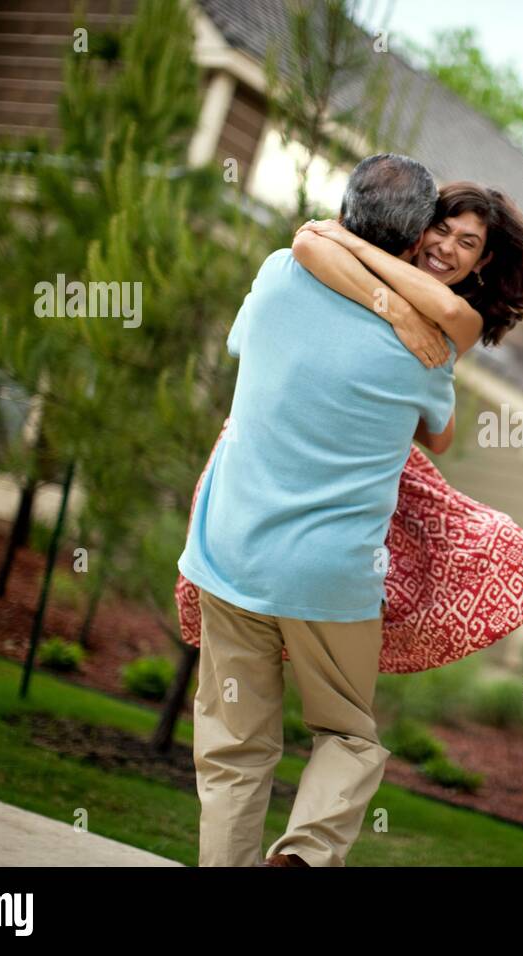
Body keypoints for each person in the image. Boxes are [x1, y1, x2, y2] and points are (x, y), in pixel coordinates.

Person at [177, 153, 459, 868]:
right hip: (331, 578)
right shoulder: (428, 343)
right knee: (349, 738)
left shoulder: (278, 273)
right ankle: (300, 858)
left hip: (230, 552)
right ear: (419, 239)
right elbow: (438, 433)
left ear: (345, 210)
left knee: (234, 752)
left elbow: (245, 343)